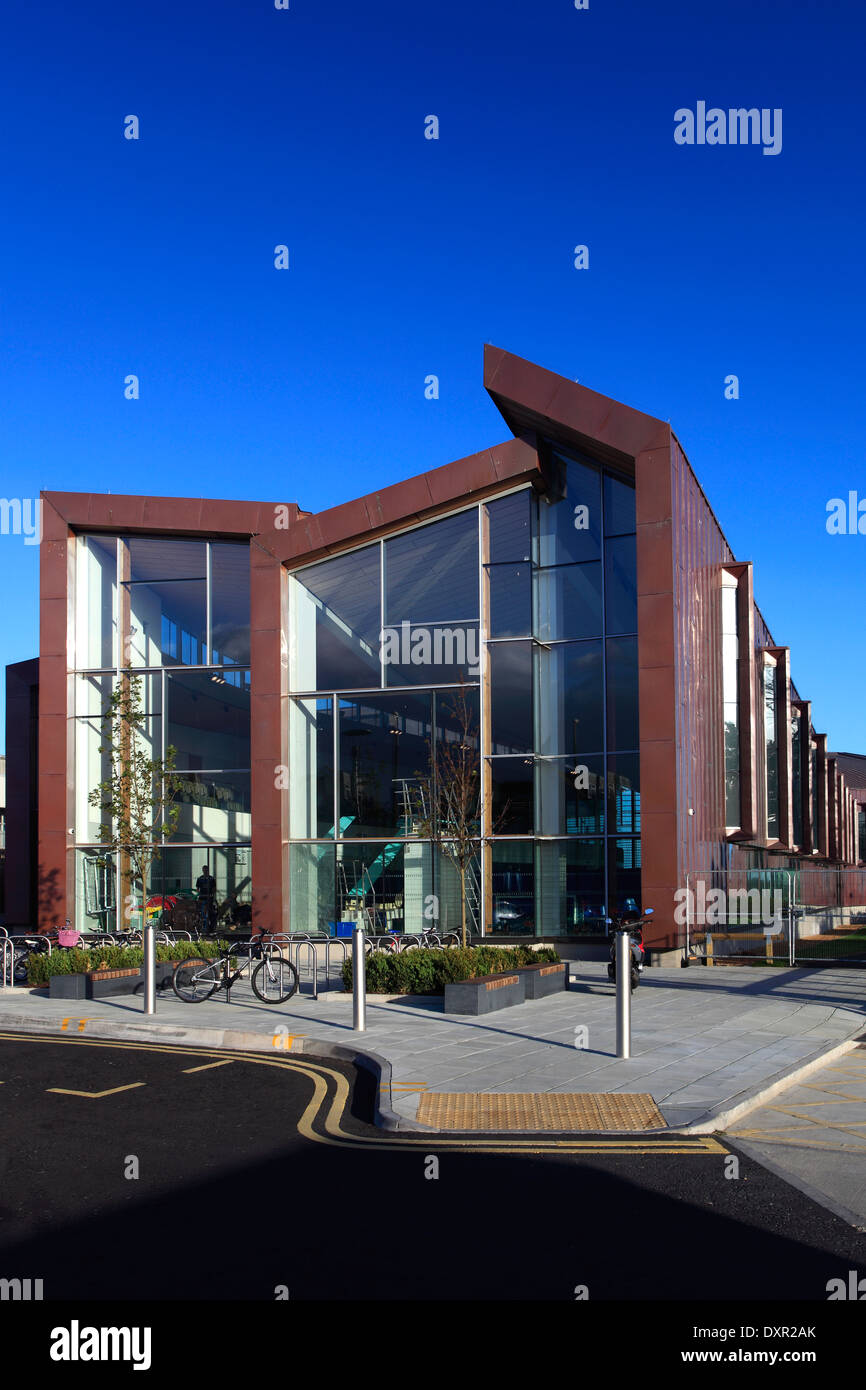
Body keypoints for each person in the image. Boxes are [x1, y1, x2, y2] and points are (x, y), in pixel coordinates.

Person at [195, 865, 217, 931]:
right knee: (200, 910)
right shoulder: (200, 878)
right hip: (202, 897)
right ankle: (200, 923)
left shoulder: (211, 879)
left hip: (209, 897)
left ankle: (210, 925)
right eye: (204, 870)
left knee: (210, 910)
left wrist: (211, 894)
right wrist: (200, 894)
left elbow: (214, 888)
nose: (205, 871)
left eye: (206, 870)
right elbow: (197, 888)